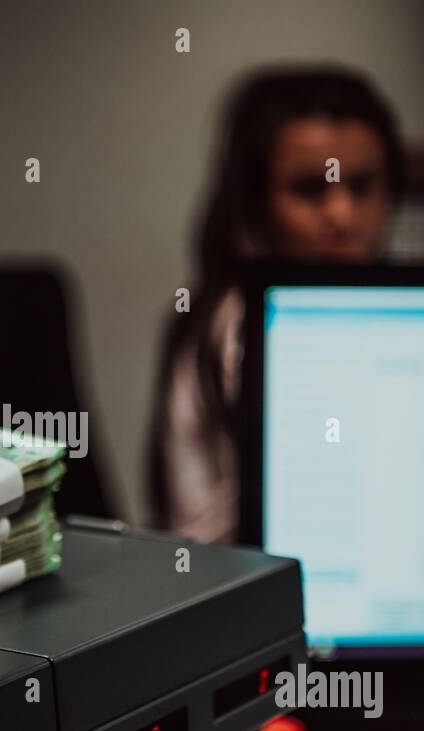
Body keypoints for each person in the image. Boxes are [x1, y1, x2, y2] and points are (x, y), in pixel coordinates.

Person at [148, 66, 405, 541]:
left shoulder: (358, 312)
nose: (342, 215)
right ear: (255, 202)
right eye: (309, 189)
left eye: (363, 186)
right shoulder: (241, 329)